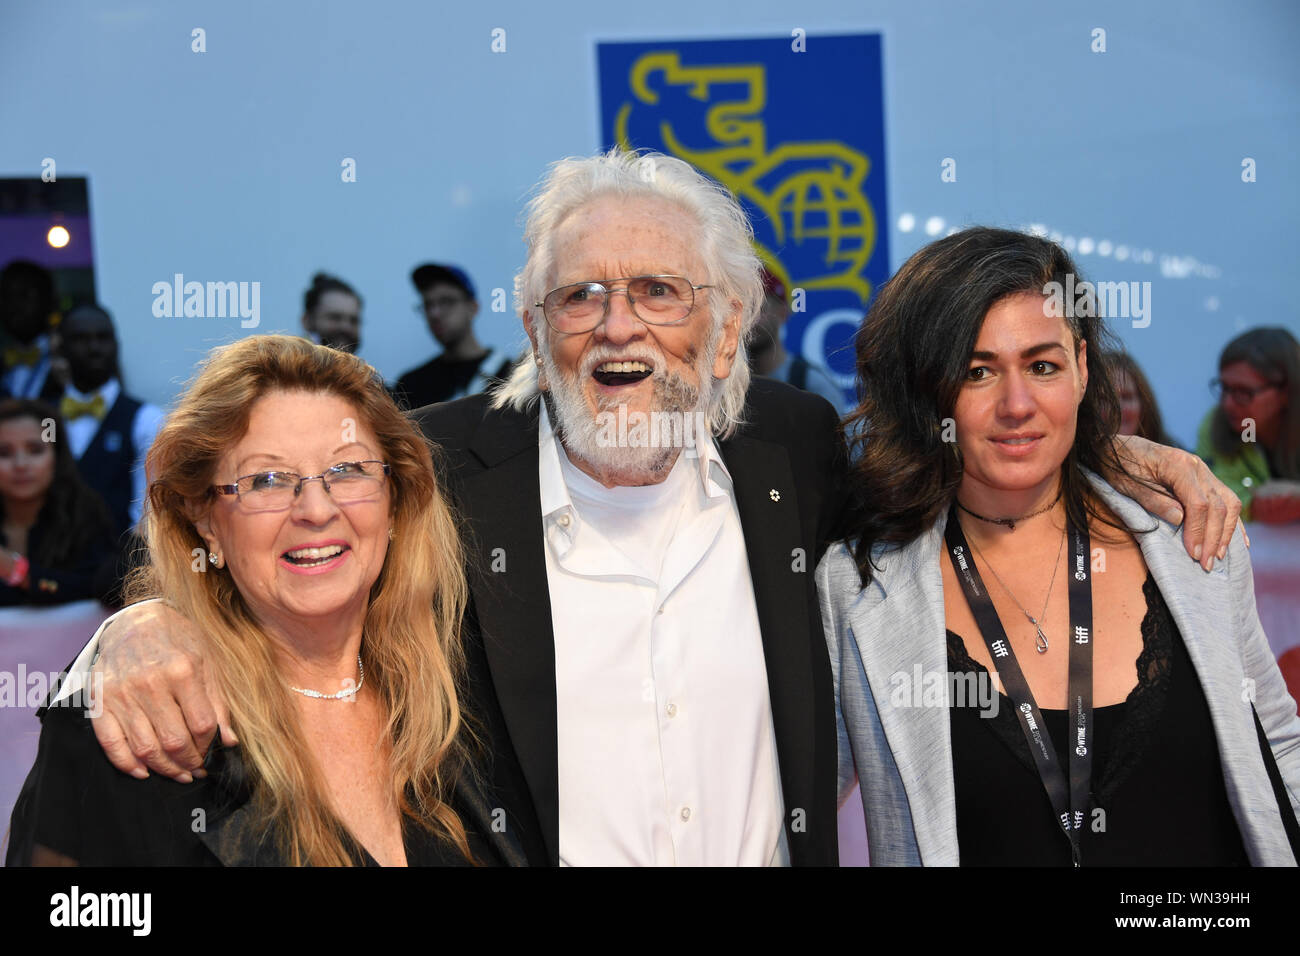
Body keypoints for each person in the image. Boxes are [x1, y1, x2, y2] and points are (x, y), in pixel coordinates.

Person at [68, 152, 1238, 868]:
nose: (615, 324)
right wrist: (150, 617)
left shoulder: (791, 447)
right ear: (532, 330)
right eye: (579, 295)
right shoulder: (434, 469)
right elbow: (277, 518)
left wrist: (1119, 455)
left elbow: (975, 452)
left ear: (727, 326)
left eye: (658, 291)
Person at [818, 227, 1300, 866]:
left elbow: (1277, 744)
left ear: (1080, 368)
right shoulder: (857, 587)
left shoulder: (1191, 538)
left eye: (1042, 366)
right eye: (977, 371)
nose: (1017, 405)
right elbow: (791, 802)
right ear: (925, 387)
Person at [6, 336, 519, 866]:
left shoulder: (464, 694)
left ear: (395, 502)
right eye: (267, 480)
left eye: (348, 471)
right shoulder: (141, 722)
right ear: (204, 518)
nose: (316, 510)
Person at [56, 302, 165, 537]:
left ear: (116, 345)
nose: (94, 347)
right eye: (80, 339)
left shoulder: (145, 419)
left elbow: (146, 513)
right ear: (62, 349)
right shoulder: (46, 418)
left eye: (103, 337)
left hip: (115, 563)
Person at [0, 399, 117, 606]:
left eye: (35, 450)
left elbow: (98, 589)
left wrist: (16, 570)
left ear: (57, 456)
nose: (20, 464)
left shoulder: (86, 515)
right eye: (4, 453)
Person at [1197, 327, 1300, 524]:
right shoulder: (1221, 424)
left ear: (1286, 392)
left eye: (1244, 392)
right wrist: (1253, 505)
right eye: (1225, 388)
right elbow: (1210, 491)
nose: (1227, 403)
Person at [392, 263, 514, 408]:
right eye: (428, 305)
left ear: (473, 308)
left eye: (446, 302)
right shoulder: (410, 385)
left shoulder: (510, 376)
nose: (434, 313)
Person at [747, 268, 848, 413]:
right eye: (740, 309)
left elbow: (841, 434)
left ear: (782, 313)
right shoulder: (724, 387)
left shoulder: (811, 384)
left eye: (758, 309)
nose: (748, 319)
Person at [0, 260, 62, 403]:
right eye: (6, 297)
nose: (14, 306)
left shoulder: (66, 359)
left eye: (25, 296)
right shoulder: (4, 361)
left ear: (48, 302)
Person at [1111, 351, 1177, 447]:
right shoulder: (1081, 457)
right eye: (1105, 399)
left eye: (1126, 397)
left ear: (1144, 403)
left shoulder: (1177, 458)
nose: (1117, 408)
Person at [300, 272, 362, 353]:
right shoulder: (288, 364)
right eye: (335, 318)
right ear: (307, 321)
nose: (346, 327)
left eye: (353, 321)